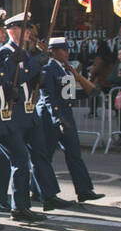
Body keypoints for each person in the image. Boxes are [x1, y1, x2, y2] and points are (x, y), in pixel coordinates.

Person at [0, 15, 57, 216]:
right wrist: (36, 64)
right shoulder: (6, 53)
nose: (29, 32)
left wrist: (41, 70)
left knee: (39, 153)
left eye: (29, 28)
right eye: (23, 28)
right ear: (12, 31)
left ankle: (49, 195)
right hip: (15, 113)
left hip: (29, 111)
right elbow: (15, 78)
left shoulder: (26, 53)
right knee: (13, 159)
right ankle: (6, 201)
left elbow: (31, 77)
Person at [38, 37, 105, 204]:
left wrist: (83, 85)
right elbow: (48, 97)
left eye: (67, 49)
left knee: (74, 154)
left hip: (66, 116)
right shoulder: (48, 69)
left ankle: (84, 190)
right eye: (63, 49)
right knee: (45, 157)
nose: (67, 53)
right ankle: (38, 190)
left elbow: (69, 94)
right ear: (53, 51)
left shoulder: (66, 69)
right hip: (51, 118)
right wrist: (57, 117)